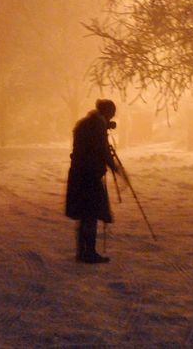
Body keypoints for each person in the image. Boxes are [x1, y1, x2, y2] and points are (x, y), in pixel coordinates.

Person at [65, 99, 119, 264]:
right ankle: (89, 253)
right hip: (89, 176)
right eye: (111, 114)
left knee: (85, 214)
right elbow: (101, 149)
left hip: (79, 174)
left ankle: (83, 252)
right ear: (107, 113)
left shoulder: (87, 123)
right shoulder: (96, 127)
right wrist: (113, 166)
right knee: (91, 214)